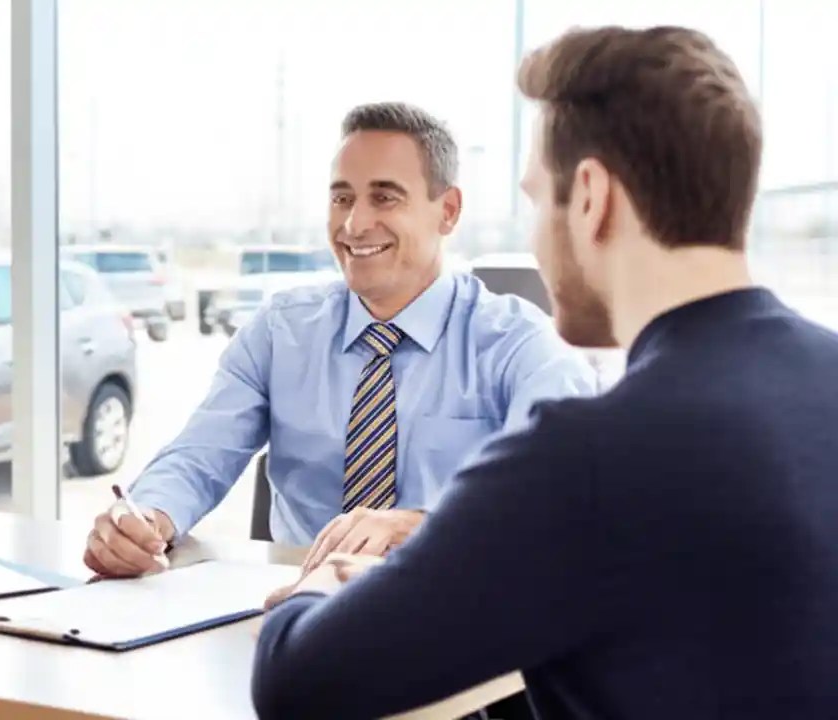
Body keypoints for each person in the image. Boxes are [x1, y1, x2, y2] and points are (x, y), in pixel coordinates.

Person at [252, 25, 838, 720]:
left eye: (536, 200)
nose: (534, 235)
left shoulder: (589, 457)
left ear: (590, 197)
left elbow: (300, 684)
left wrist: (325, 580)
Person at [84, 102, 595, 578]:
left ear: (449, 211)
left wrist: (423, 526)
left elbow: (565, 501)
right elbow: (199, 456)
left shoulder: (520, 346)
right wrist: (147, 516)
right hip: (295, 615)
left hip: (457, 608)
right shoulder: (281, 330)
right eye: (342, 197)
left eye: (384, 197)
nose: (354, 223)